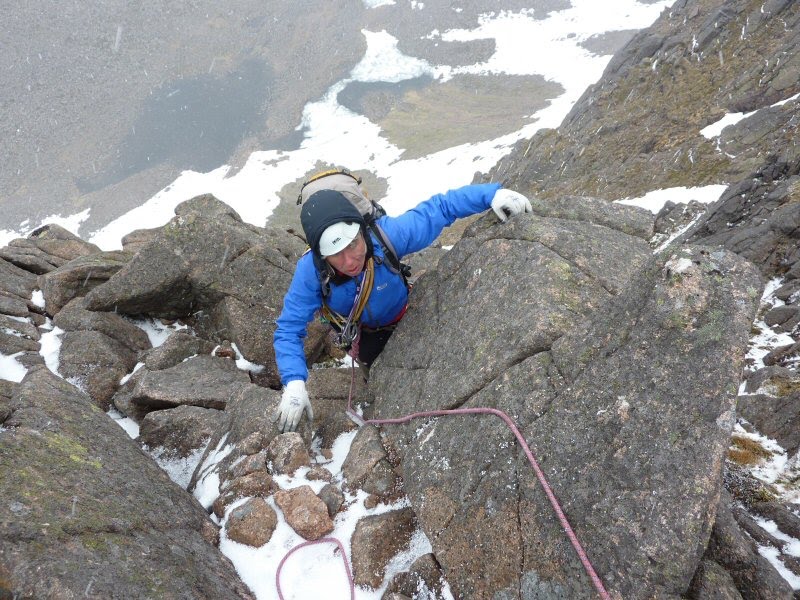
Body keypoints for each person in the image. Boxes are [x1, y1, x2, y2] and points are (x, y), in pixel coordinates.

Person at [272, 180, 532, 432]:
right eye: (337, 254)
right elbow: (289, 329)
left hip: (409, 315)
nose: (351, 260)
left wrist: (490, 195)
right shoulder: (311, 272)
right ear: (321, 255)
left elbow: (440, 208)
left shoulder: (385, 236)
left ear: (362, 231)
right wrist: (294, 382)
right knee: (378, 381)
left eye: (354, 244)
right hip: (366, 335)